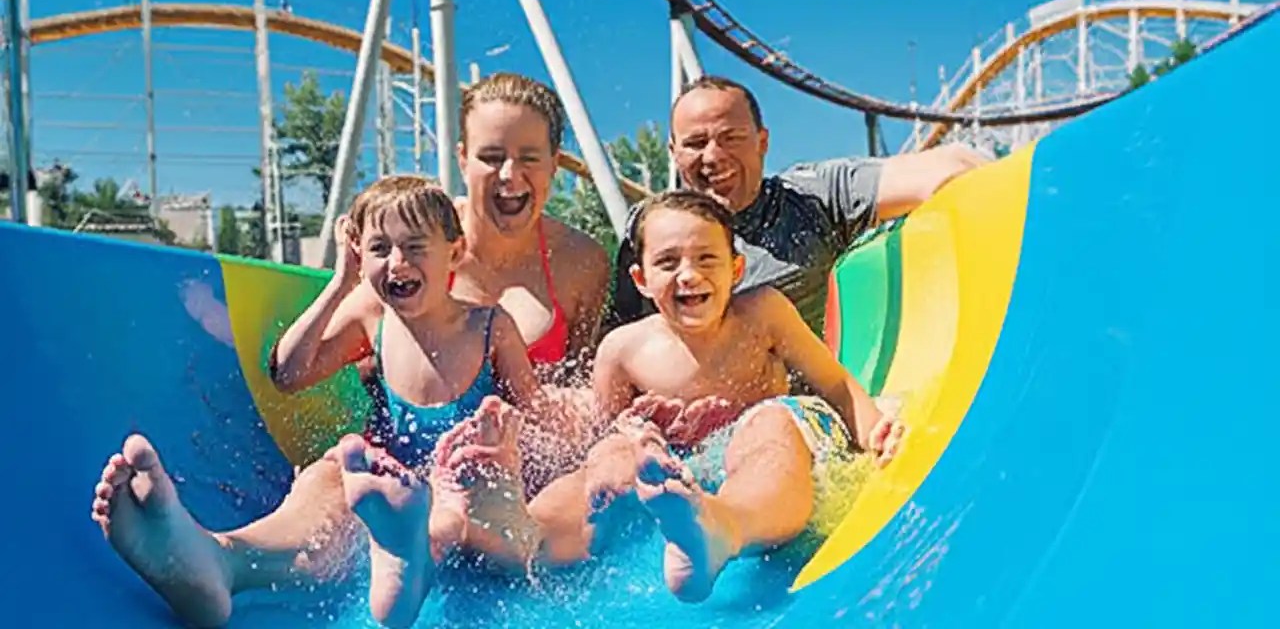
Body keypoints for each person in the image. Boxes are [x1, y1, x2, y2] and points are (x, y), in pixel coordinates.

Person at [90, 177, 554, 629]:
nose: (396, 263)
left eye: (415, 247)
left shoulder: (489, 326)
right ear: (358, 253)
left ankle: (413, 553)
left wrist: (503, 432)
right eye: (378, 249)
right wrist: (341, 282)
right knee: (329, 475)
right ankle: (220, 561)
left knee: (470, 490)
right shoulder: (371, 317)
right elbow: (288, 376)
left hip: (464, 495)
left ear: (453, 251)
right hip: (390, 493)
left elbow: (535, 421)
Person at [523, 190, 906, 601]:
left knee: (769, 422)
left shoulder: (762, 313)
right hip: (690, 467)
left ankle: (723, 530)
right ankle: (523, 534)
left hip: (772, 447)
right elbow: (602, 436)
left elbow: (835, 384)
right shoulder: (622, 350)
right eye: (668, 262)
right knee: (612, 454)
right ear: (641, 279)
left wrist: (874, 430)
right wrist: (638, 434)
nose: (688, 274)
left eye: (706, 259)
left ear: (736, 269)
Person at [607, 75, 991, 336]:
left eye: (731, 137)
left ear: (762, 141)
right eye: (695, 143)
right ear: (673, 152)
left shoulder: (810, 198)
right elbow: (617, 343)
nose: (713, 156)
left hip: (802, 410)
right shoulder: (649, 237)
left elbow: (953, 165)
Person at [450, 72, 611, 384]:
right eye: (491, 157)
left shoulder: (580, 263)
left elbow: (581, 393)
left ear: (554, 163)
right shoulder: (414, 244)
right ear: (463, 160)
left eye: (529, 158)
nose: (510, 174)